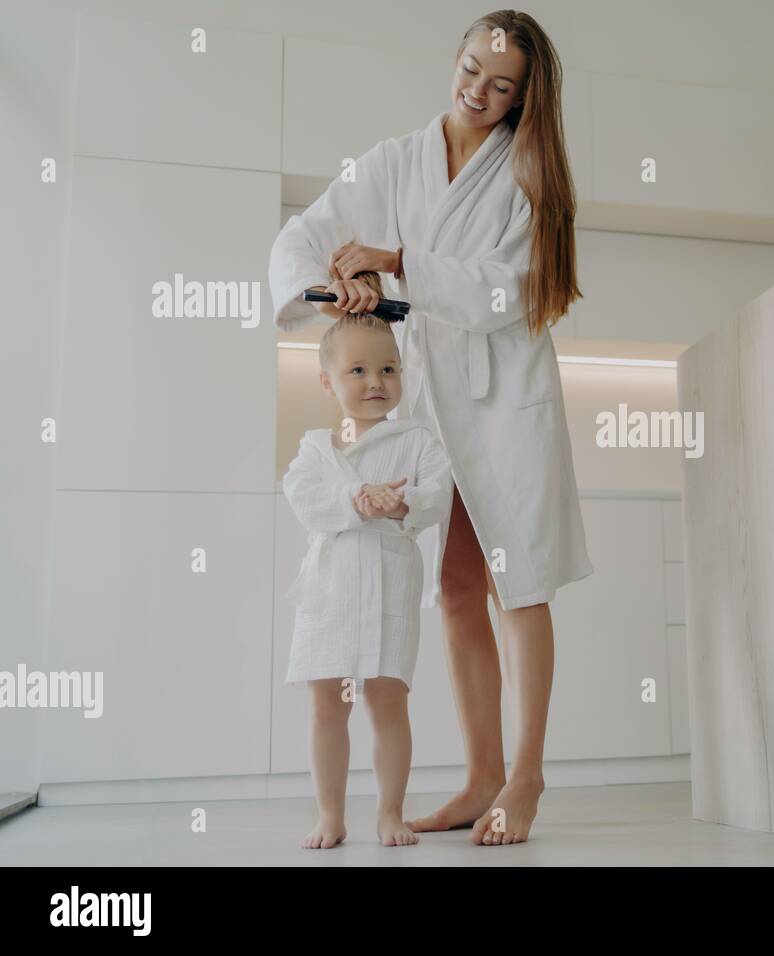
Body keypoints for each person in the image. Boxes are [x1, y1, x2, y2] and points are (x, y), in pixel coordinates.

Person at [269, 10, 591, 846]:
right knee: (452, 588)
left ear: (526, 96)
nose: (478, 91)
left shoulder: (527, 171)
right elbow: (309, 231)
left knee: (518, 585)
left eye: (501, 85)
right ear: (455, 58)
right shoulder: (397, 160)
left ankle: (526, 778)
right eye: (470, 69)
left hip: (505, 393)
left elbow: (505, 292)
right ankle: (481, 774)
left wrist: (400, 261)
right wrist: (328, 289)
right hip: (431, 402)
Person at [282, 276, 452, 848]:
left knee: (387, 701)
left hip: (388, 588)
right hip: (329, 593)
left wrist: (404, 501)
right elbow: (304, 499)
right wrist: (355, 500)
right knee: (327, 703)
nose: (376, 382)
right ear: (328, 381)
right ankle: (330, 814)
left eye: (388, 370)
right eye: (358, 371)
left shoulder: (418, 441)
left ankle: (390, 812)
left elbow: (438, 494)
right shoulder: (314, 449)